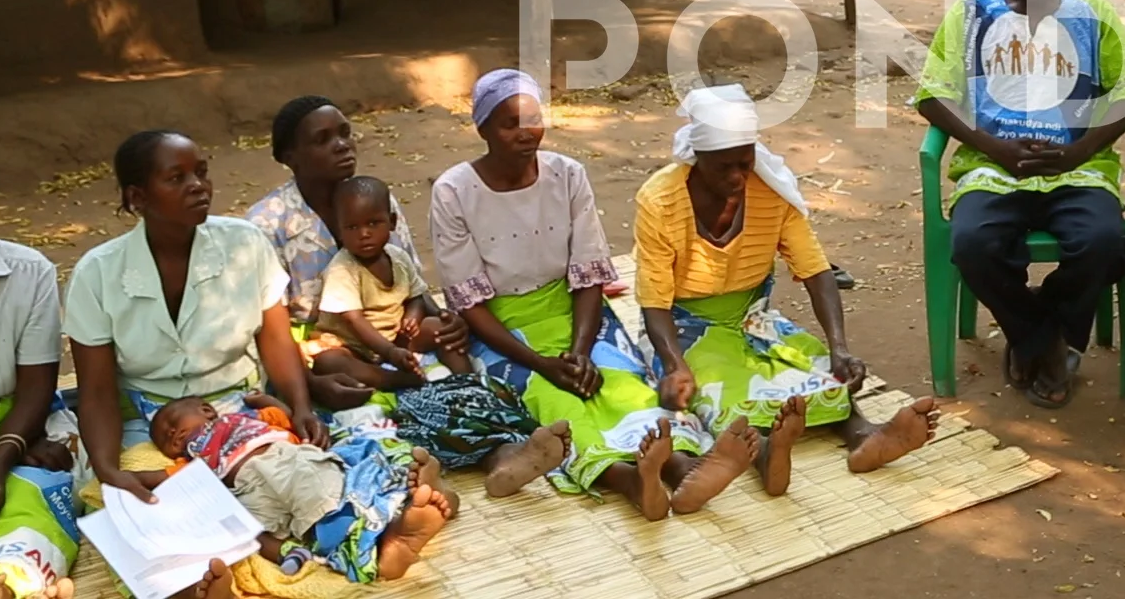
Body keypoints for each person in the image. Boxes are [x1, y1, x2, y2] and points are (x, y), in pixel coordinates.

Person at [431, 69, 720, 519]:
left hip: (577, 311)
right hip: (502, 329)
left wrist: (581, 350)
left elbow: (587, 274)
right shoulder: (453, 192)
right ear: (482, 128)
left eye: (533, 119)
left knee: (623, 384)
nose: (527, 134)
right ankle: (627, 480)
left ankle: (680, 464)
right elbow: (471, 304)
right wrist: (543, 364)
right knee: (557, 404)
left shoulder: (567, 175)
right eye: (510, 124)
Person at [636, 84, 939, 506]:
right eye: (724, 167)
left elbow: (815, 270)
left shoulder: (771, 190)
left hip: (753, 317)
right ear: (697, 157)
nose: (738, 178)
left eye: (745, 163)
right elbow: (653, 300)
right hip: (685, 325)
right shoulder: (660, 198)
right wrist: (674, 364)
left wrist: (839, 347)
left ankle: (861, 434)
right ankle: (764, 456)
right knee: (717, 388)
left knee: (818, 365)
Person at [65, 130, 332, 599]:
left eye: (202, 172)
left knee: (296, 478)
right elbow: (98, 390)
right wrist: (108, 468)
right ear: (137, 197)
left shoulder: (244, 244)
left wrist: (300, 405)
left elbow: (275, 340)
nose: (199, 186)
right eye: (177, 177)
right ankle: (202, 585)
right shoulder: (97, 272)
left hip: (241, 411)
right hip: (151, 426)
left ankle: (263, 564)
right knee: (140, 511)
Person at [915, 0, 1125, 409]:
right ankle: (1043, 339)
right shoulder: (972, 15)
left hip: (1080, 171)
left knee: (1104, 240)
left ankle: (1038, 333)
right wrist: (994, 147)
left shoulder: (1094, 16)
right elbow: (931, 96)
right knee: (973, 242)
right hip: (993, 171)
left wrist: (1079, 151)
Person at [245, 96, 465, 410]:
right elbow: (271, 328)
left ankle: (468, 387)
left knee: (451, 336)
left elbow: (409, 281)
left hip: (393, 328)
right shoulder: (267, 223)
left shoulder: (376, 201)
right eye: (323, 140)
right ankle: (400, 382)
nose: (342, 145)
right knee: (333, 367)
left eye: (345, 134)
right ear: (290, 157)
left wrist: (441, 318)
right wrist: (311, 384)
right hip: (323, 346)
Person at [0, 141, 78, 599]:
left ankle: (0, 583)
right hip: (6, 442)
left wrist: (6, 455)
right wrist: (1, 451)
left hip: (21, 423)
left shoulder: (31, 272)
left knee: (37, 500)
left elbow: (36, 387)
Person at [147, 393, 448, 582]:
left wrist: (261, 400)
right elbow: (161, 477)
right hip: (250, 490)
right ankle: (392, 538)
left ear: (206, 410)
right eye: (165, 438)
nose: (172, 433)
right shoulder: (193, 462)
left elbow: (281, 416)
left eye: (173, 422)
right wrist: (119, 476)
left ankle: (387, 531)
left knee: (321, 501)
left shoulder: (240, 419)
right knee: (249, 531)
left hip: (285, 461)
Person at [311, 176, 474, 385]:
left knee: (441, 328)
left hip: (396, 336)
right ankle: (394, 379)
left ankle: (470, 381)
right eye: (352, 227)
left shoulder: (398, 257)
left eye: (373, 223)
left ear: (392, 222)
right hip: (353, 346)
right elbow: (354, 320)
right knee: (328, 361)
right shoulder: (342, 269)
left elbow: (415, 295)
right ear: (339, 231)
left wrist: (413, 317)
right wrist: (390, 353)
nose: (364, 234)